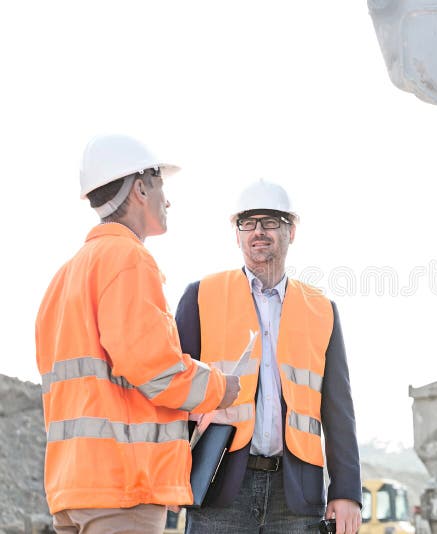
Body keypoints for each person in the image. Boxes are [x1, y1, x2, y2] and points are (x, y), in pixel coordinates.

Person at [35, 134, 240, 533]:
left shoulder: (65, 277)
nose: (168, 199)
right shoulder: (128, 260)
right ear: (141, 188)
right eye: (162, 184)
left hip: (73, 488)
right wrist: (219, 387)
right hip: (122, 489)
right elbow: (154, 368)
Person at [176, 179, 362, 534]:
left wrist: (347, 491)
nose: (258, 231)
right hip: (218, 484)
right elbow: (177, 393)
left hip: (295, 493)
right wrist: (167, 474)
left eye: (271, 221)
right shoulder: (201, 297)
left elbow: (338, 408)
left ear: (291, 232)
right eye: (248, 222)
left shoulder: (321, 310)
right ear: (237, 235)